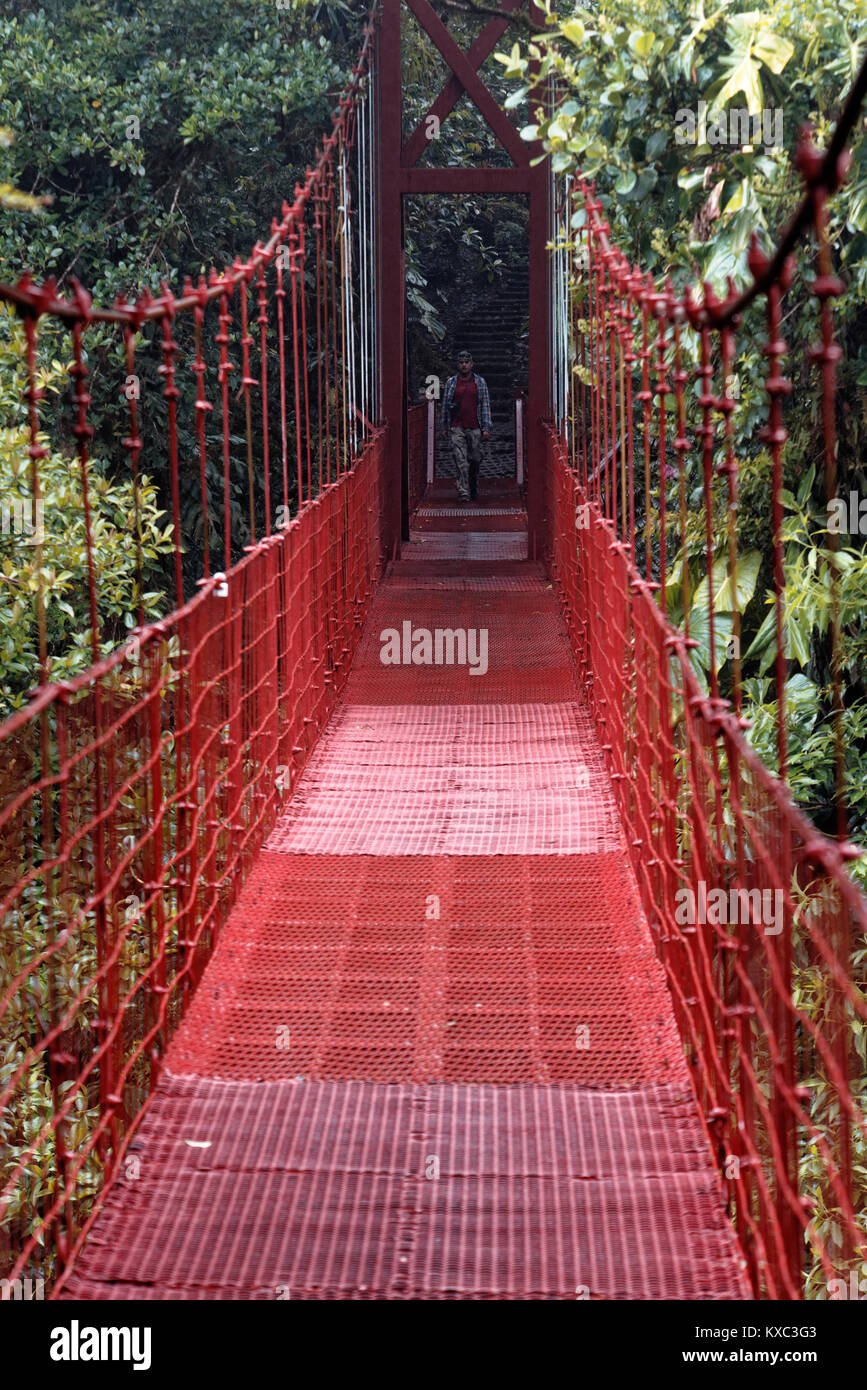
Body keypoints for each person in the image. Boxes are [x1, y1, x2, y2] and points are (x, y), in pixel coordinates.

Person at [441, 350, 492, 502]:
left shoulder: (480, 382)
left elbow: (485, 405)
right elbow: (445, 405)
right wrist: (444, 426)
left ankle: (473, 484)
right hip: (457, 426)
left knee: (475, 458)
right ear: (458, 364)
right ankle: (463, 491)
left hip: (475, 426)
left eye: (466, 362)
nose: (464, 365)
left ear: (471, 364)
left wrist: (486, 427)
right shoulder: (451, 383)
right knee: (460, 460)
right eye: (461, 363)